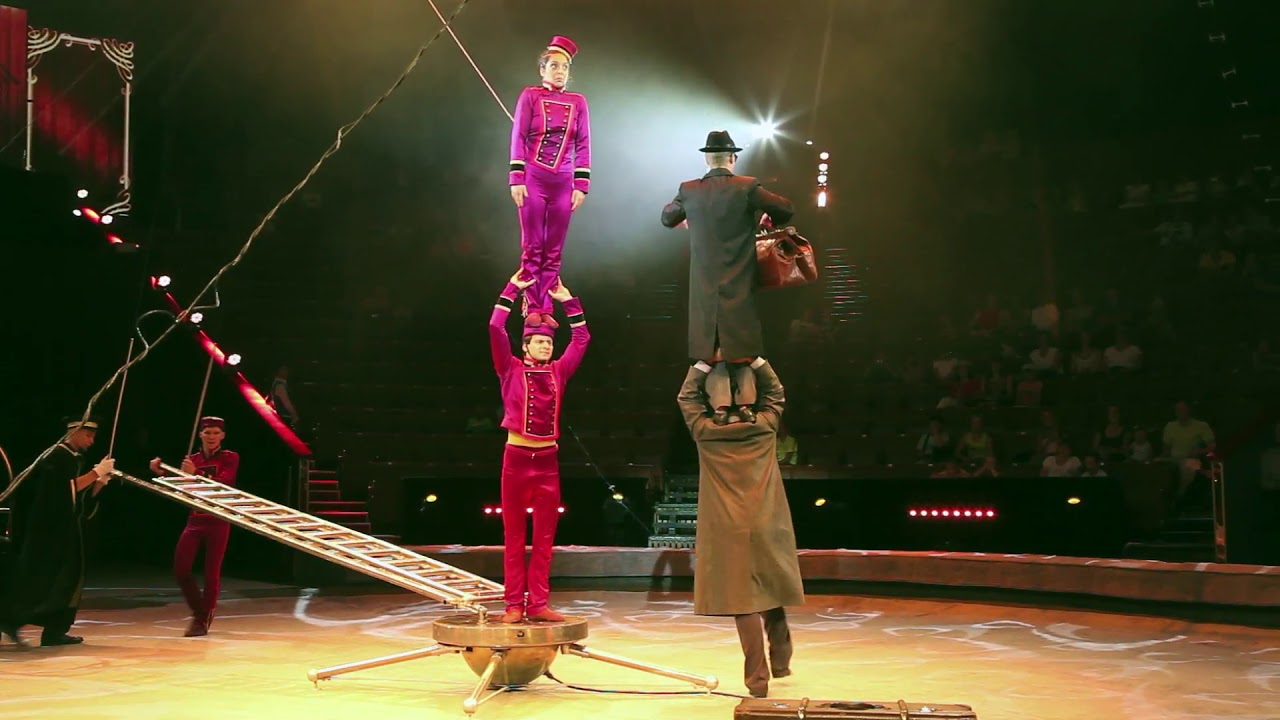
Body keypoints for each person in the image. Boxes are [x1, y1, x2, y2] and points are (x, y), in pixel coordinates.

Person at [676, 357, 804, 698]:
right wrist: (757, 362)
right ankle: (781, 659)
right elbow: (776, 393)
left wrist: (703, 365)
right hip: (766, 519)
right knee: (770, 585)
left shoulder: (705, 431)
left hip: (727, 527)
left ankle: (757, 681)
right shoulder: (765, 425)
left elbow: (686, 398)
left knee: (743, 600)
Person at [661, 130, 794, 424]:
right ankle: (746, 405)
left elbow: (668, 218)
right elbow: (786, 209)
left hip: (705, 284)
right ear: (732, 158)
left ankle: (720, 407)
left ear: (707, 159)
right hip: (740, 280)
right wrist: (766, 215)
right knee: (740, 345)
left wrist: (691, 215)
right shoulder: (747, 187)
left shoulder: (689, 189)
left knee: (713, 346)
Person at [489, 271, 590, 623]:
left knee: (545, 538)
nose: (547, 346)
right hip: (516, 459)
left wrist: (568, 301)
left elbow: (582, 338)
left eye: (549, 342)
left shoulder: (559, 371)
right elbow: (495, 328)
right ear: (526, 345)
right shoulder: (510, 369)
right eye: (540, 342)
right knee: (515, 537)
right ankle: (513, 605)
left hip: (547, 460)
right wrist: (510, 290)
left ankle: (538, 604)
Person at [0, 417, 113, 647]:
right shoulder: (57, 456)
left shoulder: (72, 458)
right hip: (49, 531)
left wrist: (97, 484)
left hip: (65, 528)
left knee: (67, 579)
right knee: (43, 578)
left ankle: (54, 629)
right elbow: (61, 491)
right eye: (87, 435)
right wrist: (95, 473)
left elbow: (75, 495)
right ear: (73, 432)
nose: (91, 441)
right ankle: (14, 621)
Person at [509, 35, 591, 329]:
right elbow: (518, 136)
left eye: (565, 67)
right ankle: (534, 305)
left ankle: (547, 308)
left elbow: (584, 143)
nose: (560, 72)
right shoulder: (530, 96)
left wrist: (581, 185)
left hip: (563, 181)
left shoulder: (578, 102)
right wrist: (516, 178)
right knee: (534, 245)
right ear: (542, 69)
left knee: (554, 248)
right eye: (554, 66)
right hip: (534, 176)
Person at [150, 416, 239, 637]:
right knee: (181, 569)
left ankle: (202, 619)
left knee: (211, 573)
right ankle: (202, 612)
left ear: (223, 435)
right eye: (207, 432)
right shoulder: (193, 459)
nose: (211, 437)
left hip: (218, 520)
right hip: (195, 519)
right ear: (200, 434)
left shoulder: (230, 457)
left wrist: (195, 473)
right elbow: (182, 482)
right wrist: (162, 471)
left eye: (216, 433)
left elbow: (224, 482)